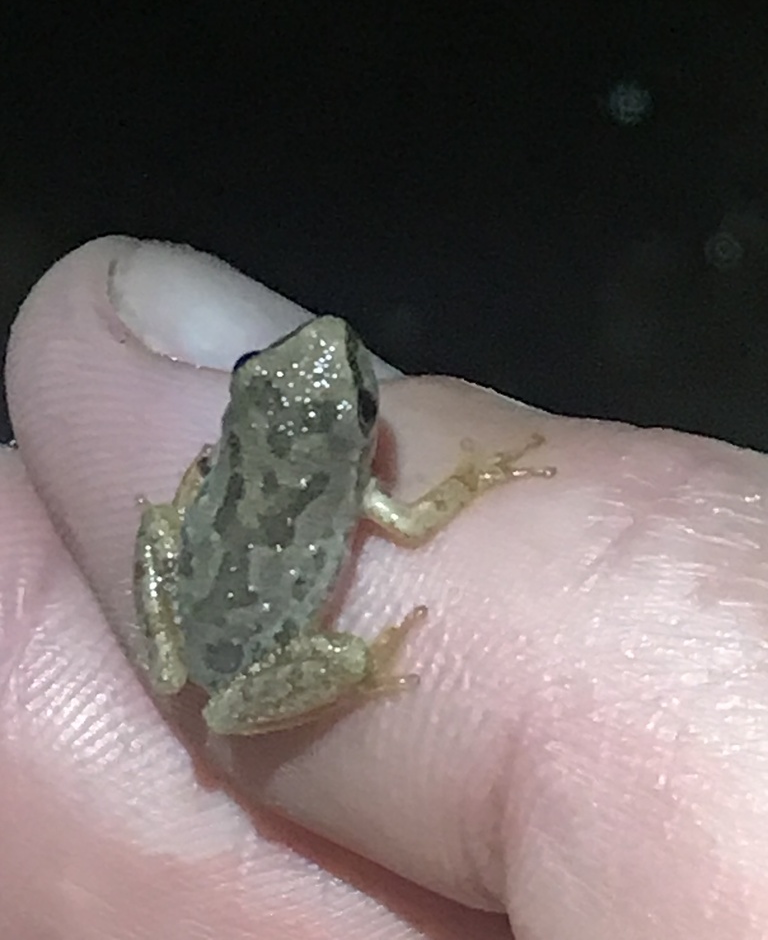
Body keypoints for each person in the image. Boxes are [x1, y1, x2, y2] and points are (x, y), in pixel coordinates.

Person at [2, 236, 764, 938]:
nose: (324, 339)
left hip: (195, 621)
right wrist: (471, 477)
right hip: (247, 663)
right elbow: (410, 521)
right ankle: (359, 672)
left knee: (166, 558)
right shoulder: (354, 488)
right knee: (341, 657)